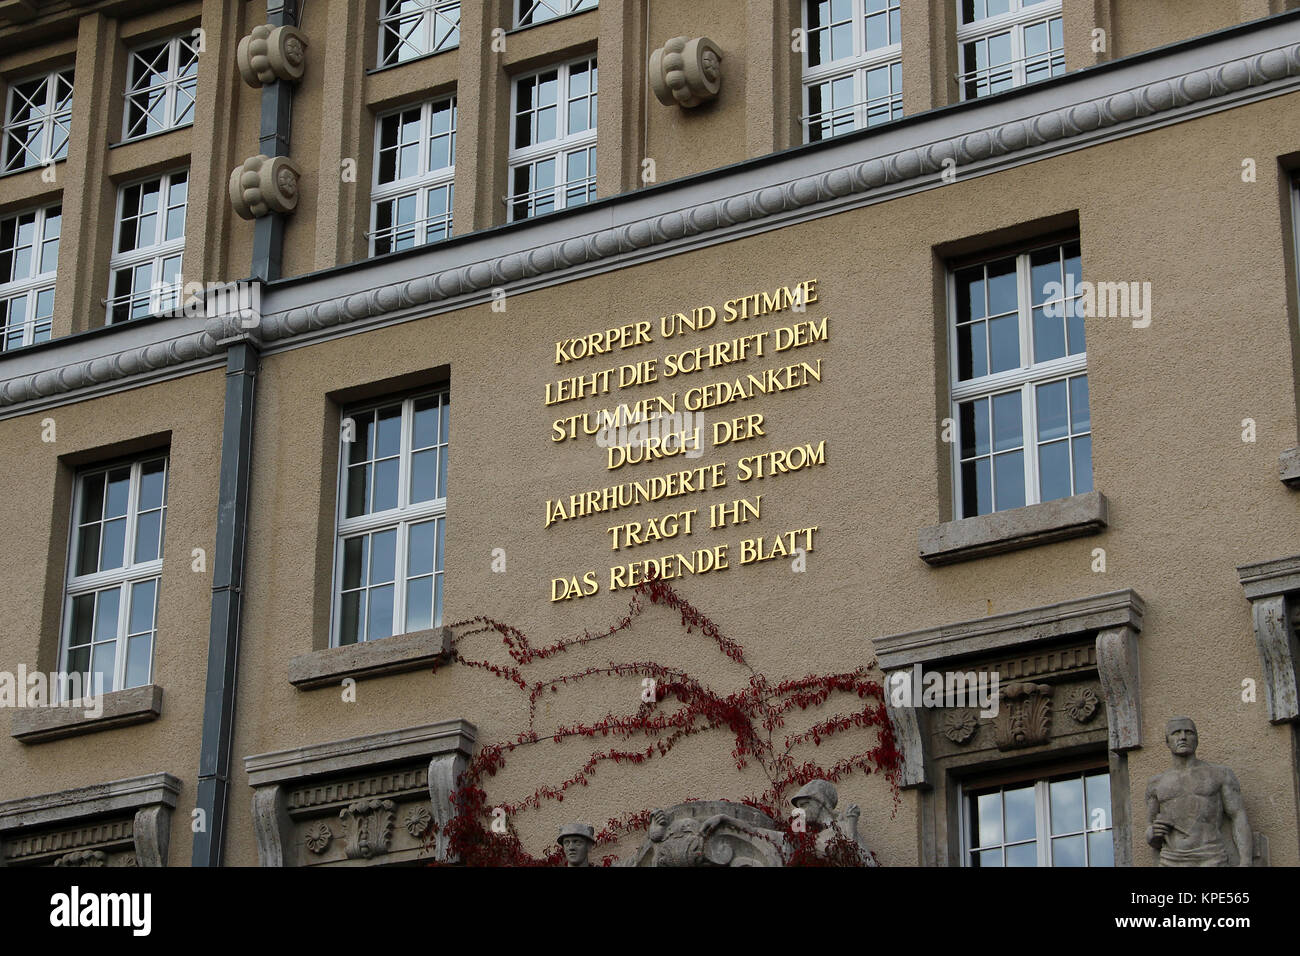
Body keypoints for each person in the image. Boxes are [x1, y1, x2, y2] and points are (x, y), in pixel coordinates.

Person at [1145, 717, 1252, 867]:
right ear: (1167, 742)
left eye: (1189, 732)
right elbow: (1150, 828)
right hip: (1171, 860)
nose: (1183, 737)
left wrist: (1246, 861)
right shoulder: (1155, 783)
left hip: (1211, 857)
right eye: (1176, 733)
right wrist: (1153, 833)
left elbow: (1238, 816)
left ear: (1197, 739)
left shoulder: (1219, 774)